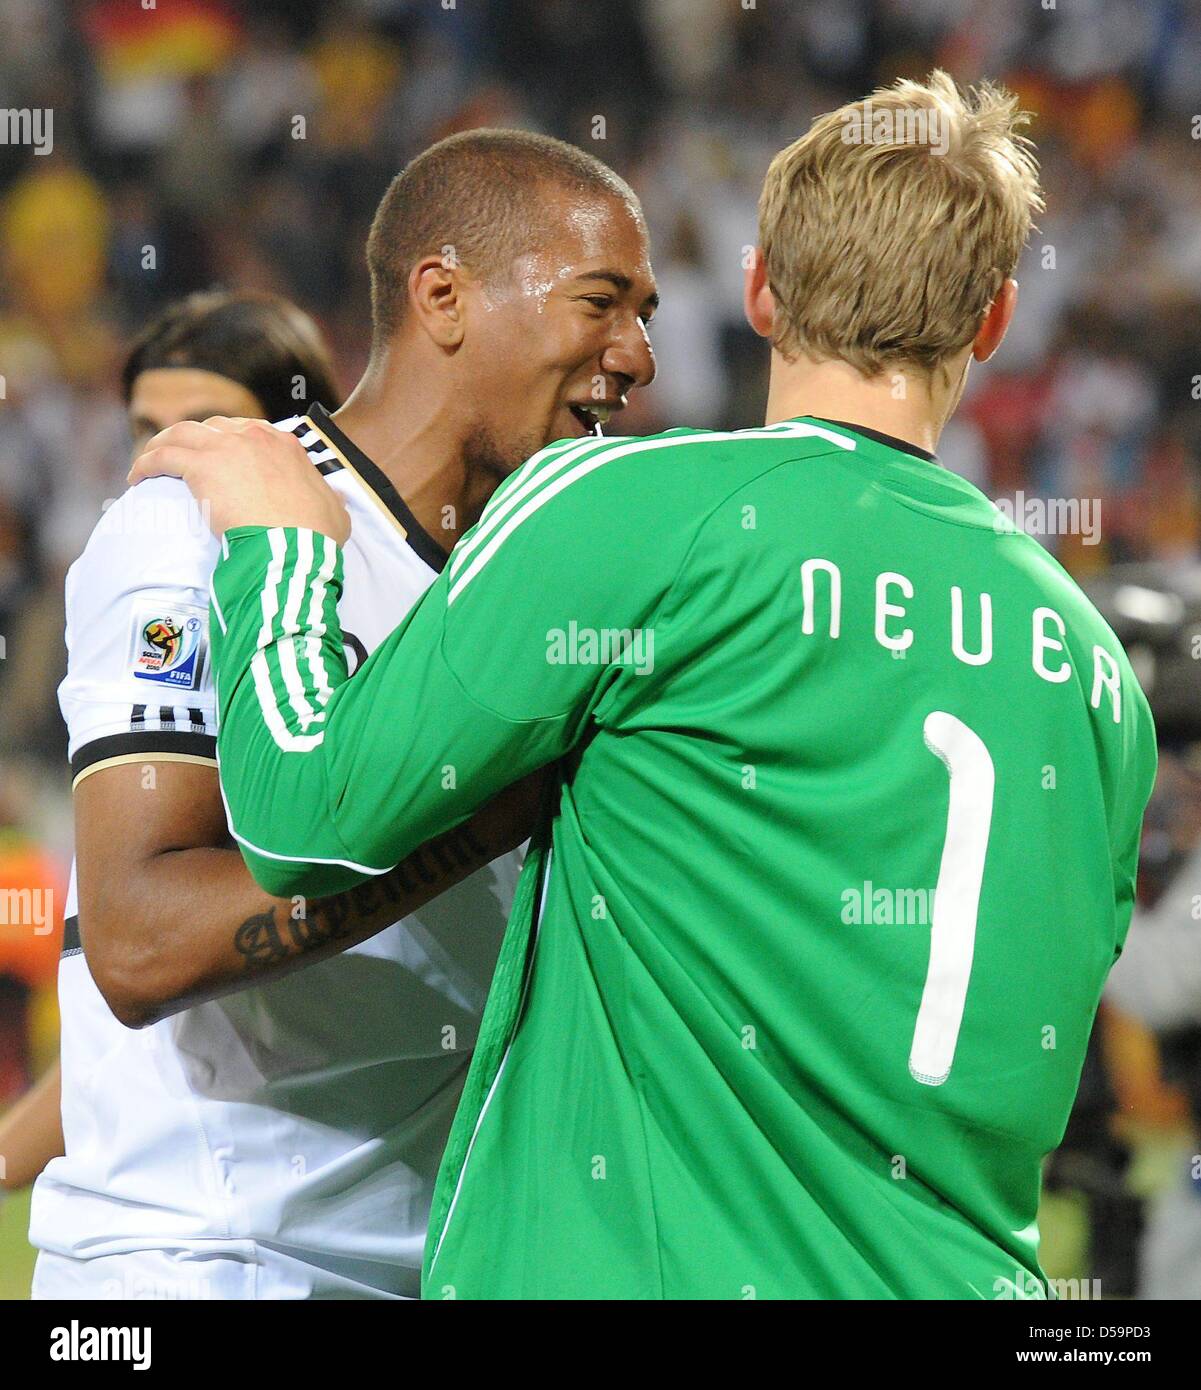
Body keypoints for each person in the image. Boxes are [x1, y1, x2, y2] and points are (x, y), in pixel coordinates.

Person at [135, 73, 1156, 1299]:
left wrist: (281, 545)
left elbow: (308, 806)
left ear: (760, 288)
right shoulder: (1094, 670)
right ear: (991, 320)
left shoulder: (632, 508)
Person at [38, 130, 656, 1303]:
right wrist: (490, 806)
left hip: (448, 1261)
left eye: (647, 314)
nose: (636, 354)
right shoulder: (206, 524)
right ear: (443, 295)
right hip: (208, 1257)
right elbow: (138, 939)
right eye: (600, 303)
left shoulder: (543, 583)